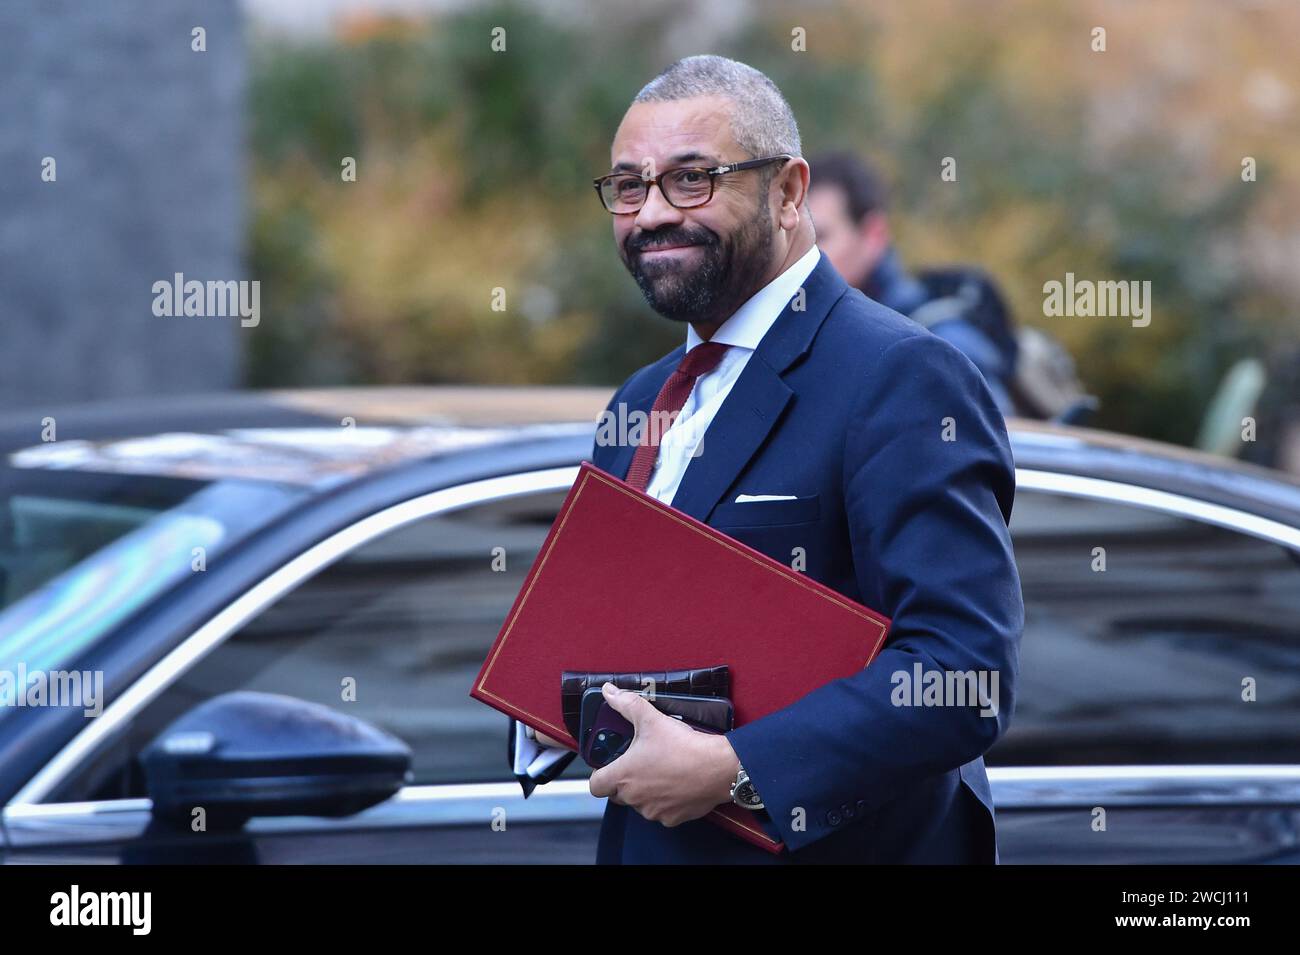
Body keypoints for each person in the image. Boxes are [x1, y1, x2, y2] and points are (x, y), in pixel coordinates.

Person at [517, 54, 1023, 864]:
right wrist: (548, 698)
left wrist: (735, 770)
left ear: (788, 191)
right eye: (628, 186)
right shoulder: (639, 401)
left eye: (691, 180)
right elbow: (627, 624)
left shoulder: (901, 376)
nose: (650, 214)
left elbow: (963, 672)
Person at [806, 151, 1020, 416]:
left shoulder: (942, 346)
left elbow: (990, 453)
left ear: (873, 234)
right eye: (799, 238)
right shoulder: (811, 338)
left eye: (821, 237)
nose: (807, 254)